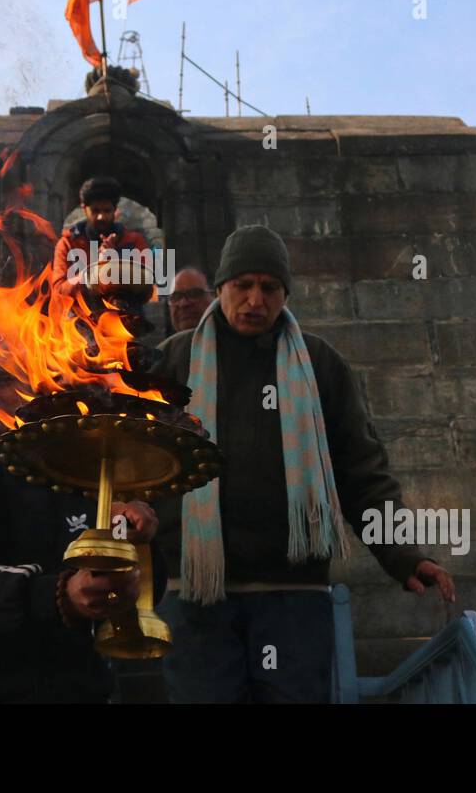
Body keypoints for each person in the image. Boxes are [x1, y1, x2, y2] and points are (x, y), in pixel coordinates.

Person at [153, 225, 457, 703]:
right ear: (221, 288)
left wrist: (402, 553)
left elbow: (361, 471)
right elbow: (135, 457)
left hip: (293, 593)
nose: (255, 299)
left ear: (285, 293)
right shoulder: (173, 360)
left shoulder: (319, 363)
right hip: (193, 591)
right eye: (243, 286)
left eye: (269, 288)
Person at [0, 330, 162, 702]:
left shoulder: (81, 481)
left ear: (36, 389)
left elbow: (133, 600)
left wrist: (135, 548)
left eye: (2, 378)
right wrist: (58, 595)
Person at [51, 175, 151, 298]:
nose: (101, 217)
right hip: (83, 315)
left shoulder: (134, 241)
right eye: (95, 211)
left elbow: (146, 287)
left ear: (115, 209)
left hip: (125, 314)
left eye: (107, 210)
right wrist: (94, 272)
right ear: (84, 209)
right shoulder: (68, 243)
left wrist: (114, 264)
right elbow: (59, 290)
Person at [166, 266, 213, 334]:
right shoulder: (168, 344)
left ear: (214, 296)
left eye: (194, 294)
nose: (183, 303)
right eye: (176, 297)